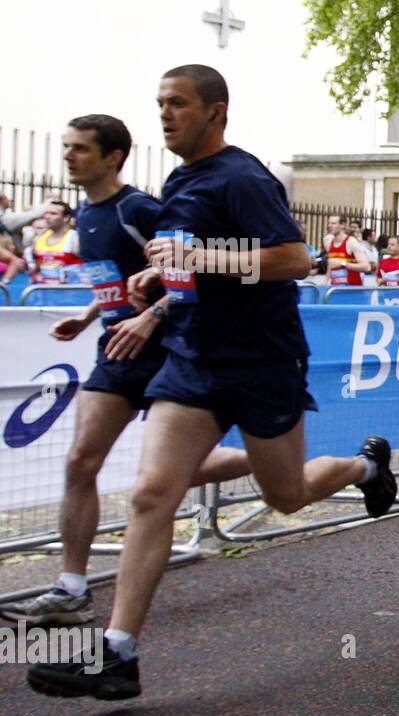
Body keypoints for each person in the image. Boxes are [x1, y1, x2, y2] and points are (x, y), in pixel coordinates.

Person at [25, 64, 399, 701]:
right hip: (192, 358)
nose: (165, 114)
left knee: (284, 496)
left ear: (216, 112)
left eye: (178, 104)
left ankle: (366, 468)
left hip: (262, 362)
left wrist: (203, 259)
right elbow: (184, 264)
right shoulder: (179, 180)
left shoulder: (243, 176)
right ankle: (118, 653)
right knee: (151, 492)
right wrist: (156, 287)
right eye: (160, 103)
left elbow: (294, 261)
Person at [0, 114, 249, 627]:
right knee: (80, 462)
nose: (69, 157)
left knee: (161, 476)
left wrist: (150, 317)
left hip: (166, 350)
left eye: (80, 149)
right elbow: (116, 281)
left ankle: (267, 468)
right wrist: (90, 314)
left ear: (112, 157)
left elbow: (184, 273)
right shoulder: (86, 218)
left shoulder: (139, 209)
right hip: (116, 352)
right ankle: (71, 588)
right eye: (66, 147)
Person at [27, 201, 81, 284]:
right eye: (46, 213)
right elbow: (36, 267)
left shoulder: (74, 238)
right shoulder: (38, 239)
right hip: (44, 292)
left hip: (69, 293)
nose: (47, 217)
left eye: (53, 214)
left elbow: (87, 266)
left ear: (66, 218)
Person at [323, 214, 369, 286]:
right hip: (336, 290)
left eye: (333, 223)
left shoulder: (351, 242)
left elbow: (366, 267)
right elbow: (331, 265)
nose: (329, 225)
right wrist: (325, 281)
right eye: (329, 223)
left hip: (351, 291)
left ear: (343, 225)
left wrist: (342, 263)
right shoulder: (329, 243)